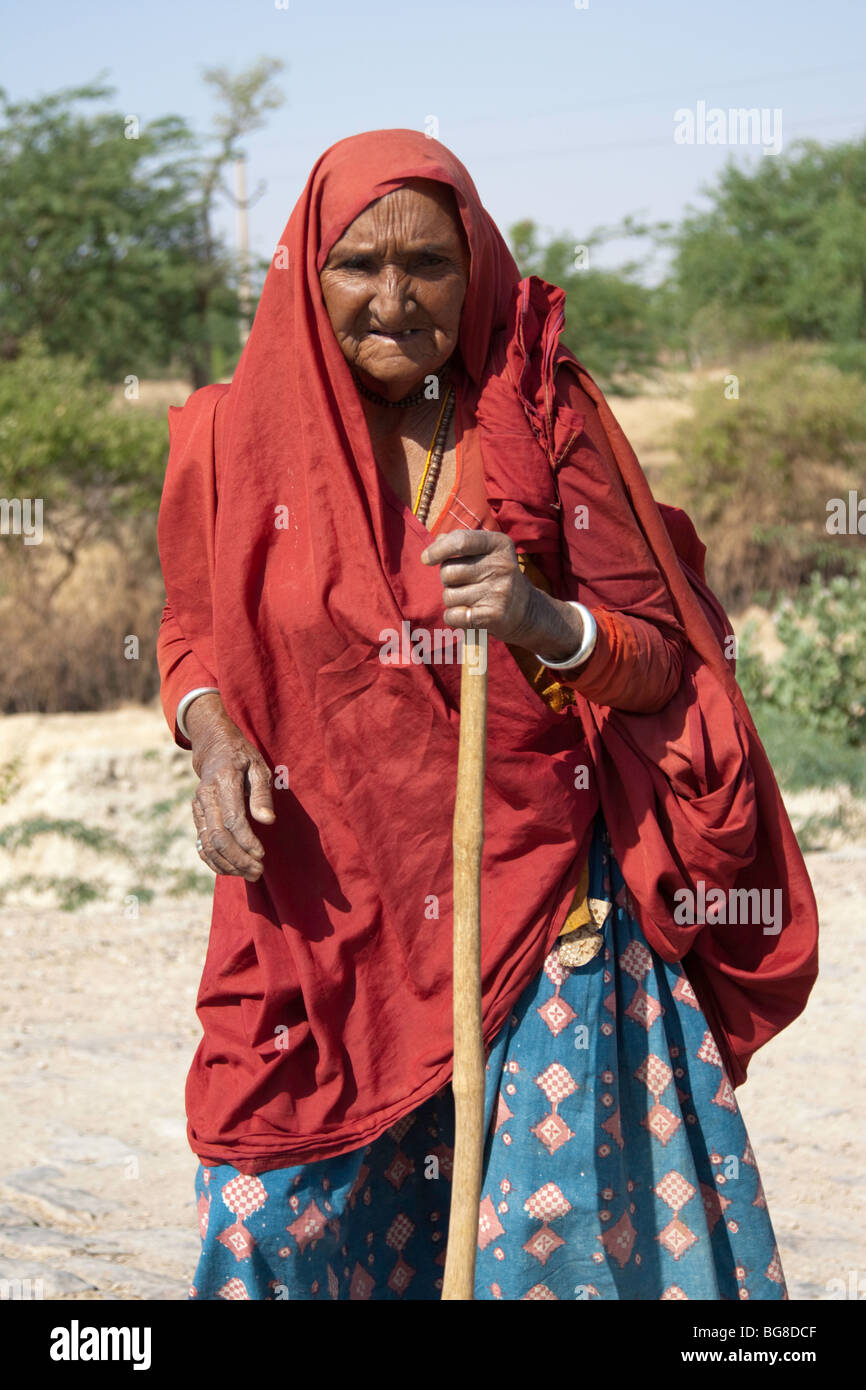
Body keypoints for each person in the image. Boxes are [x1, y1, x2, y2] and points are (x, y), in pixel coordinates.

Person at [156, 128, 818, 1301]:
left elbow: (661, 662)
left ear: (477, 271)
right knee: (269, 1212)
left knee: (541, 1242)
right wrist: (208, 728)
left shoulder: (535, 419)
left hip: (532, 894)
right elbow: (193, 631)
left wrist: (538, 618)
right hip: (315, 905)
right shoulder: (229, 433)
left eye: (429, 265)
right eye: (358, 265)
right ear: (306, 270)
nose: (394, 299)